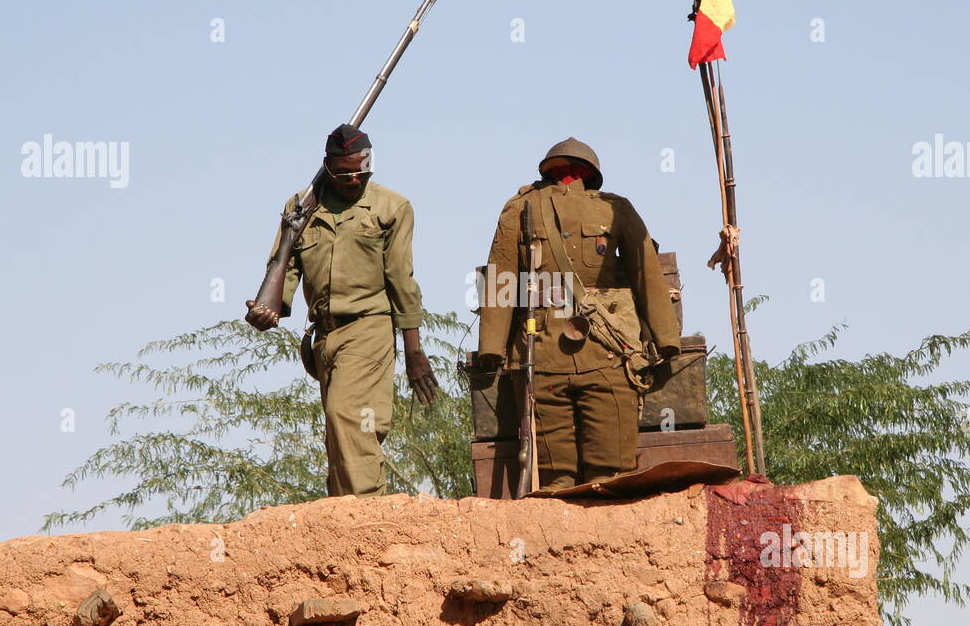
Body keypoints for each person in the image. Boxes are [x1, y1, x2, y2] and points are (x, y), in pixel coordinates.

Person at [476, 137, 681, 490]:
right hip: (575, 355)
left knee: (567, 475)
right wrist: (667, 339)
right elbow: (647, 275)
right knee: (605, 471)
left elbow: (499, 280)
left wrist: (491, 347)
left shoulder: (608, 209)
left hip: (584, 350)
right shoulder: (530, 210)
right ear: (591, 173)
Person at [245, 124, 437, 496]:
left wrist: (414, 349)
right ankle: (346, 523)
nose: (354, 179)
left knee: (350, 417)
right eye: (344, 173)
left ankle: (370, 512)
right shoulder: (300, 207)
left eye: (361, 172)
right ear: (327, 167)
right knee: (337, 433)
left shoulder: (392, 207)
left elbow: (402, 280)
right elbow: (286, 265)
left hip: (369, 327)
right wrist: (268, 309)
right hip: (323, 336)